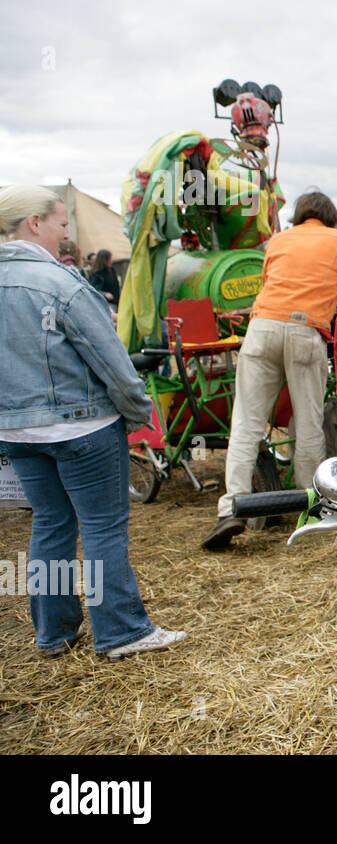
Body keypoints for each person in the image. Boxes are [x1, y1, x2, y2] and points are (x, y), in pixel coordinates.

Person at [0, 185, 187, 659]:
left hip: (16, 429)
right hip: (81, 426)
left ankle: (55, 632)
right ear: (34, 223)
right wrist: (138, 410)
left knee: (50, 524)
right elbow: (111, 361)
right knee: (102, 528)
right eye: (62, 223)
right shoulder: (60, 284)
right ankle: (122, 631)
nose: (66, 235)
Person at [206, 190, 337, 550]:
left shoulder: (277, 241)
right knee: (308, 423)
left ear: (299, 214)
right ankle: (313, 507)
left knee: (246, 424)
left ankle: (231, 508)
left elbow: (270, 281)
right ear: (332, 215)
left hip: (262, 330)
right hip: (307, 331)